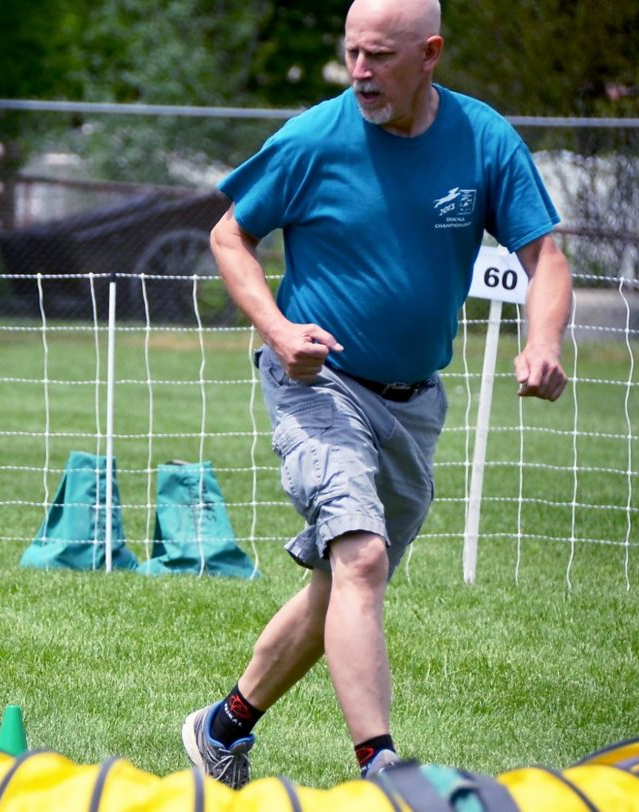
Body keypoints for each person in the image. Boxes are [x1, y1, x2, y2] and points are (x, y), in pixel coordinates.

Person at [180, 0, 571, 789]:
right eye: (351, 53)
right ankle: (382, 767)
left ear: (429, 54)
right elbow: (230, 235)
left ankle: (222, 728)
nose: (360, 73)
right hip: (316, 382)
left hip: (414, 401)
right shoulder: (313, 139)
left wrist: (543, 342)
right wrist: (279, 329)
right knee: (359, 557)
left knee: (343, 582)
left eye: (379, 57)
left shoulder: (482, 138)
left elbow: (545, 255)